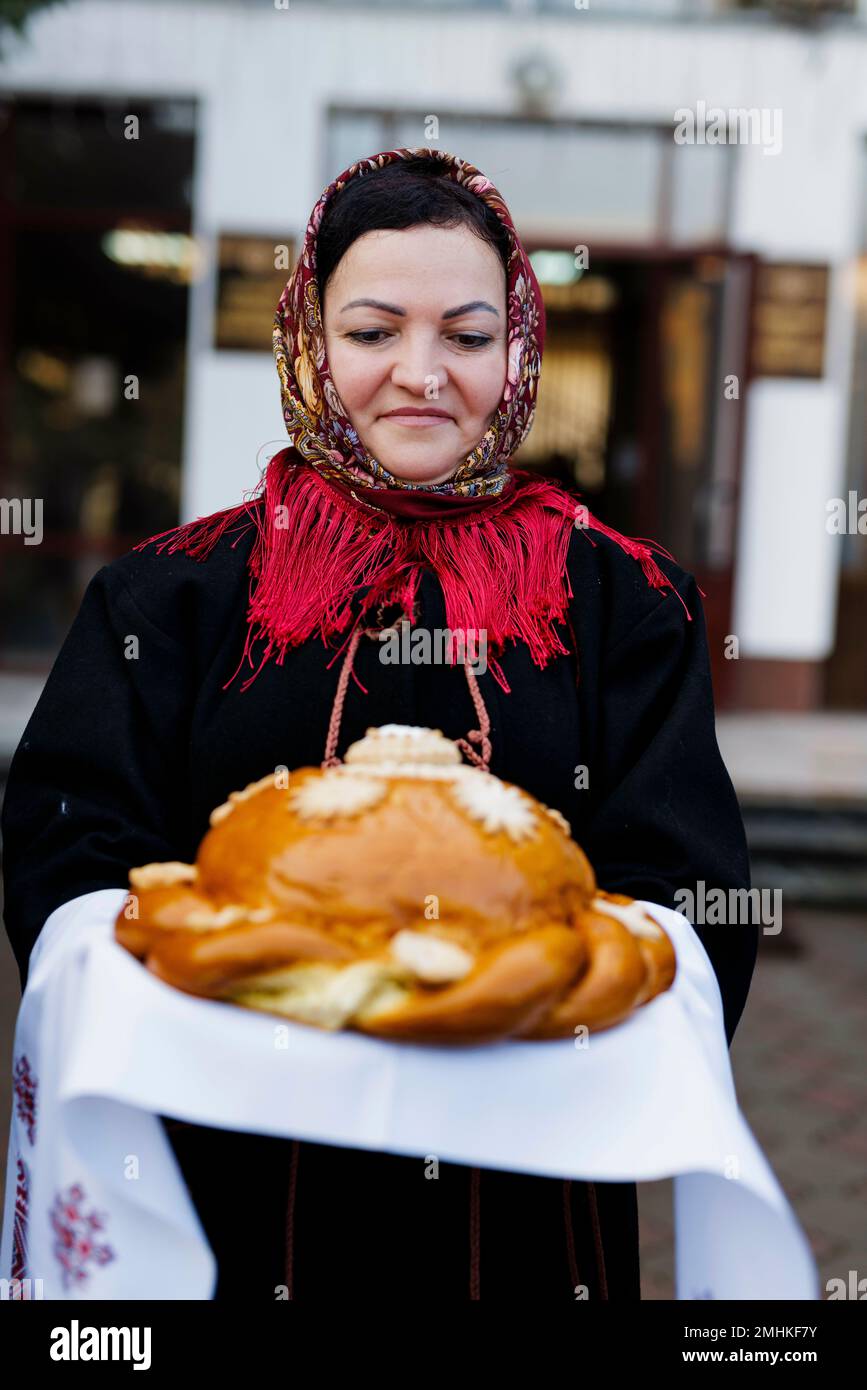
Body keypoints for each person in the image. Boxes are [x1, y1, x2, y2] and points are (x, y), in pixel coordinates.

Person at [0, 147, 757, 1301]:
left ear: (519, 348)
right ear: (308, 338)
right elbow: (70, 849)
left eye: (465, 332)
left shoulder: (623, 601)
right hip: (235, 1170)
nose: (422, 374)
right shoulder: (172, 594)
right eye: (371, 331)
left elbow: (681, 892)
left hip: (527, 1196)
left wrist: (504, 998)